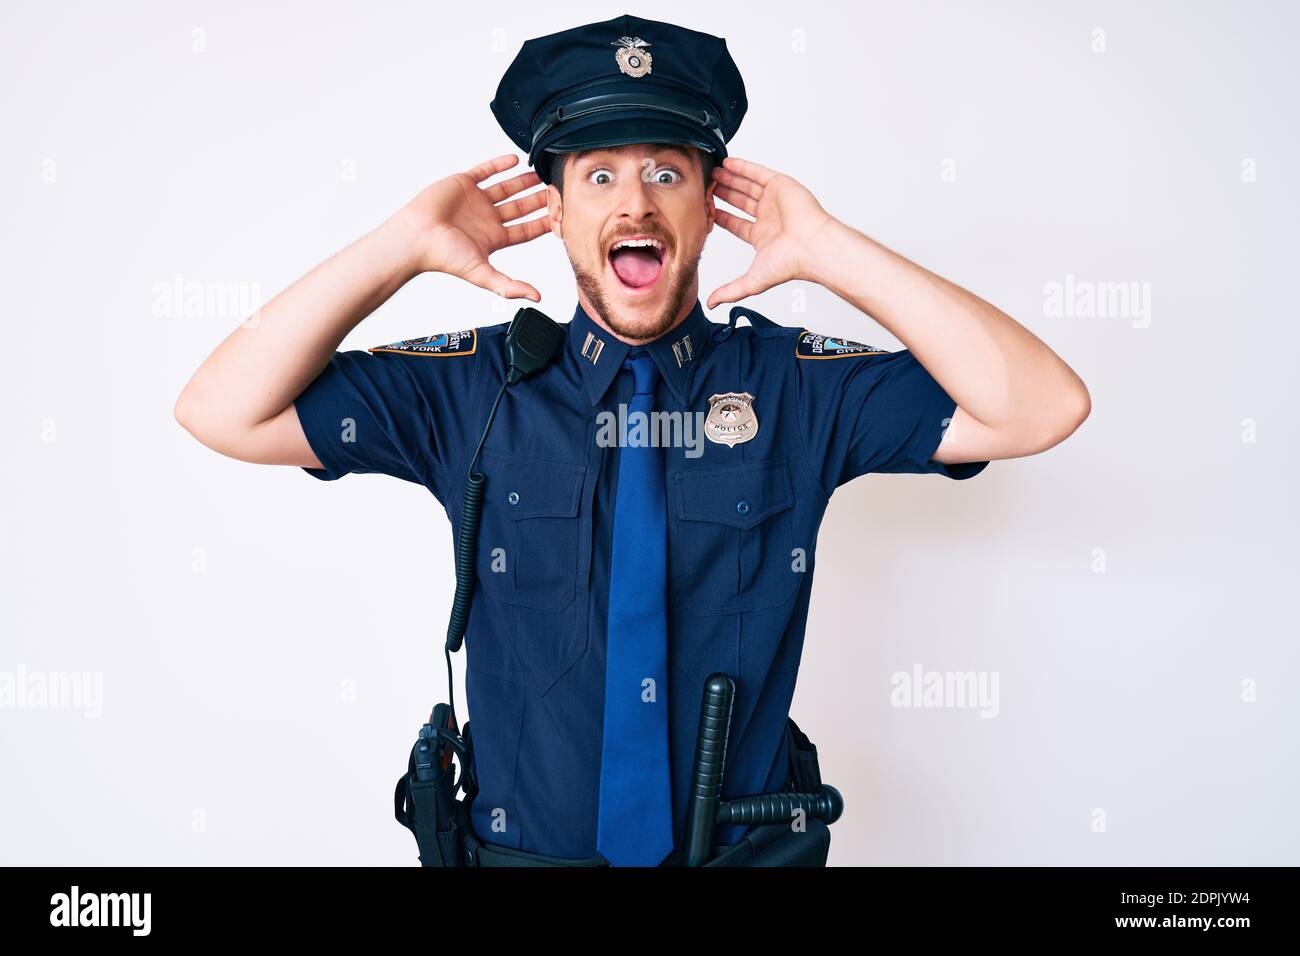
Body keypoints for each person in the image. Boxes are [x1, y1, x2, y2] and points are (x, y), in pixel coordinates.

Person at [174, 13, 1090, 866]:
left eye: (666, 173)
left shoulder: (795, 385)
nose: (636, 206)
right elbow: (223, 409)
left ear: (705, 206)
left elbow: (1040, 406)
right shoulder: (474, 390)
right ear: (560, 211)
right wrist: (398, 246)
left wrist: (831, 250)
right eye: (599, 176)